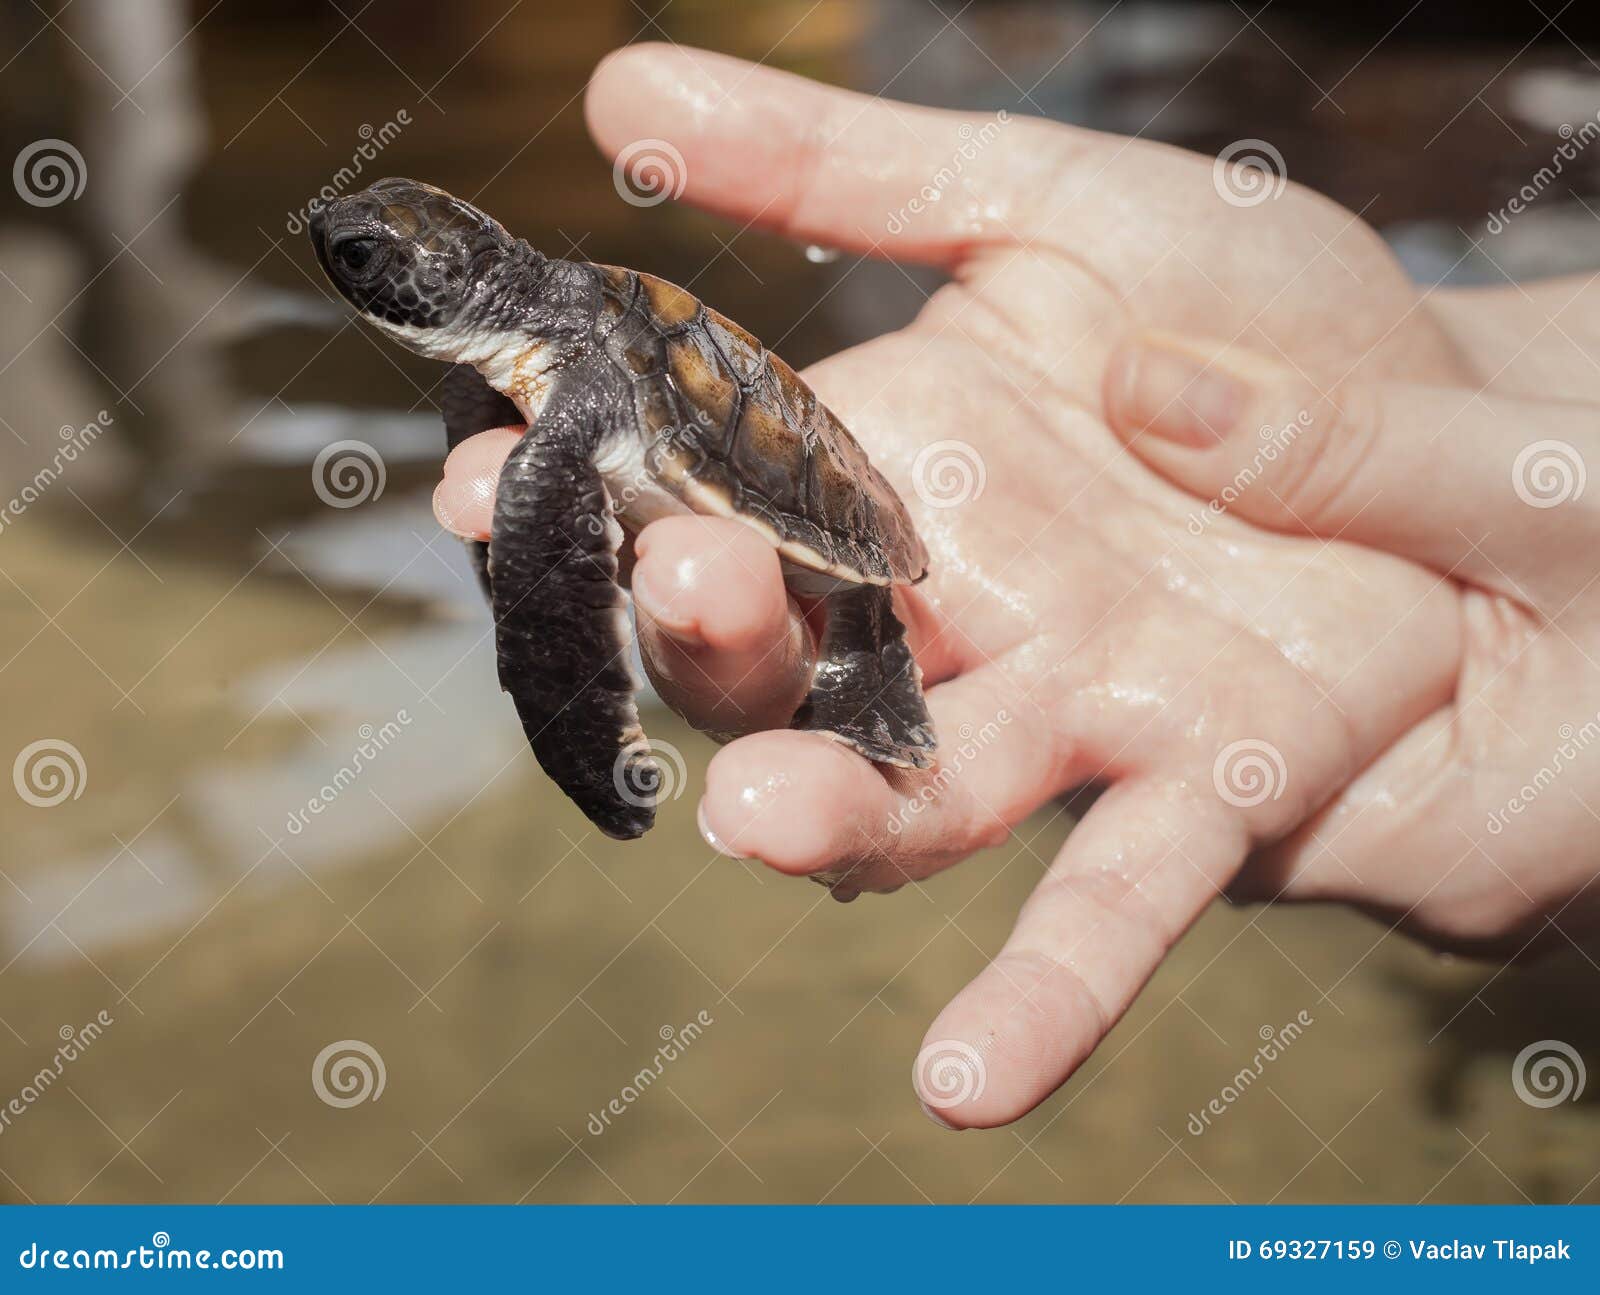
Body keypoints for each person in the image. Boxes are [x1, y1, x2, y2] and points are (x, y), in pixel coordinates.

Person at [432, 44, 1600, 1129]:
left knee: (562, 520)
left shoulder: (558, 363)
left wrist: (563, 677)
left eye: (366, 266)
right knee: (600, 536)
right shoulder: (513, 352)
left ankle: (861, 639)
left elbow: (549, 539)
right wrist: (1477, 369)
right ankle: (865, 653)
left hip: (803, 502)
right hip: (804, 485)